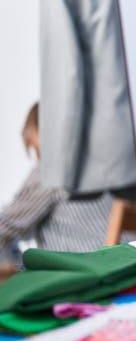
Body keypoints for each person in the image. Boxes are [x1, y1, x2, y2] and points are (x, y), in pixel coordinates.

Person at [0, 103, 113, 261]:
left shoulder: (52, 168)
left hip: (86, 270)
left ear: (36, 131)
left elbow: (6, 225)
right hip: (126, 262)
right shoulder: (99, 165)